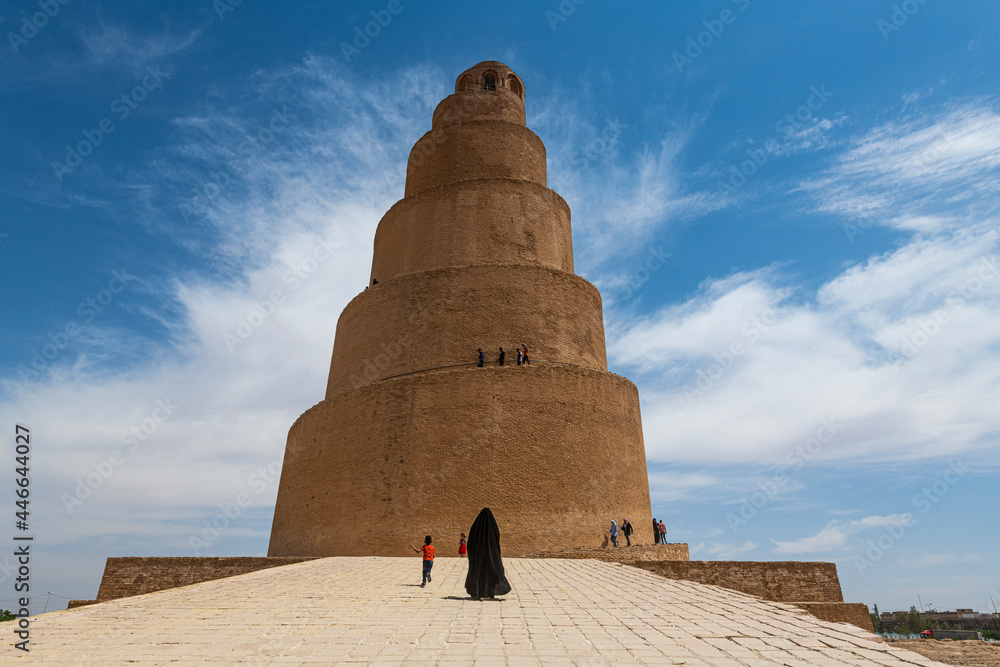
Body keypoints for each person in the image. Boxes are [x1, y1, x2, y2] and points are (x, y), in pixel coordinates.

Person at [465, 508, 511, 600]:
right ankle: (491, 593)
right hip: (491, 555)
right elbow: (496, 539)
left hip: (478, 555)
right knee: (492, 571)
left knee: (479, 573)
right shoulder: (492, 527)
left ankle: (480, 593)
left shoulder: (476, 528)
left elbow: (471, 542)